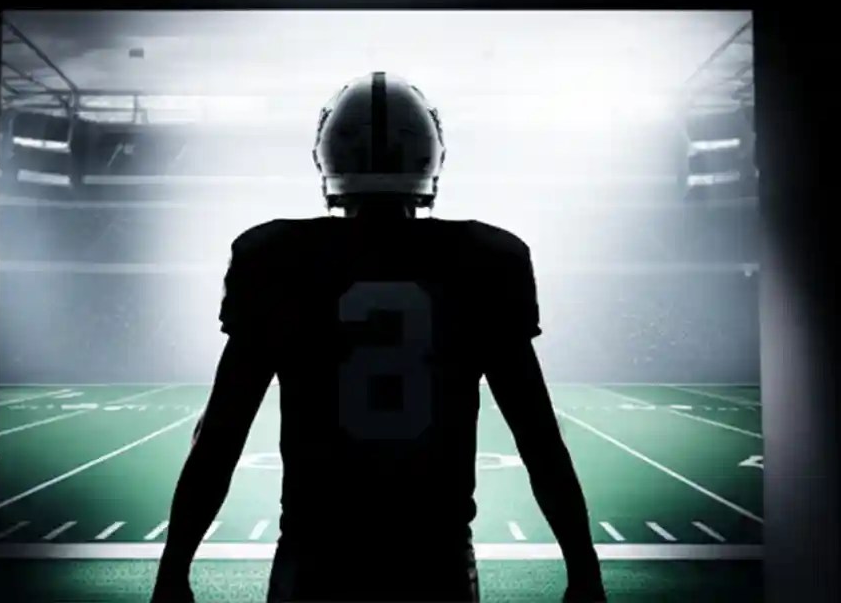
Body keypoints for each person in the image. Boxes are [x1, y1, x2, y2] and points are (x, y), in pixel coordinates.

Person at [151, 73, 607, 602]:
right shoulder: (483, 260)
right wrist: (583, 569)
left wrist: (174, 569)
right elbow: (539, 439)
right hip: (434, 562)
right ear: (430, 157)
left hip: (315, 560)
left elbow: (220, 438)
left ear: (327, 158)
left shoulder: (278, 258)